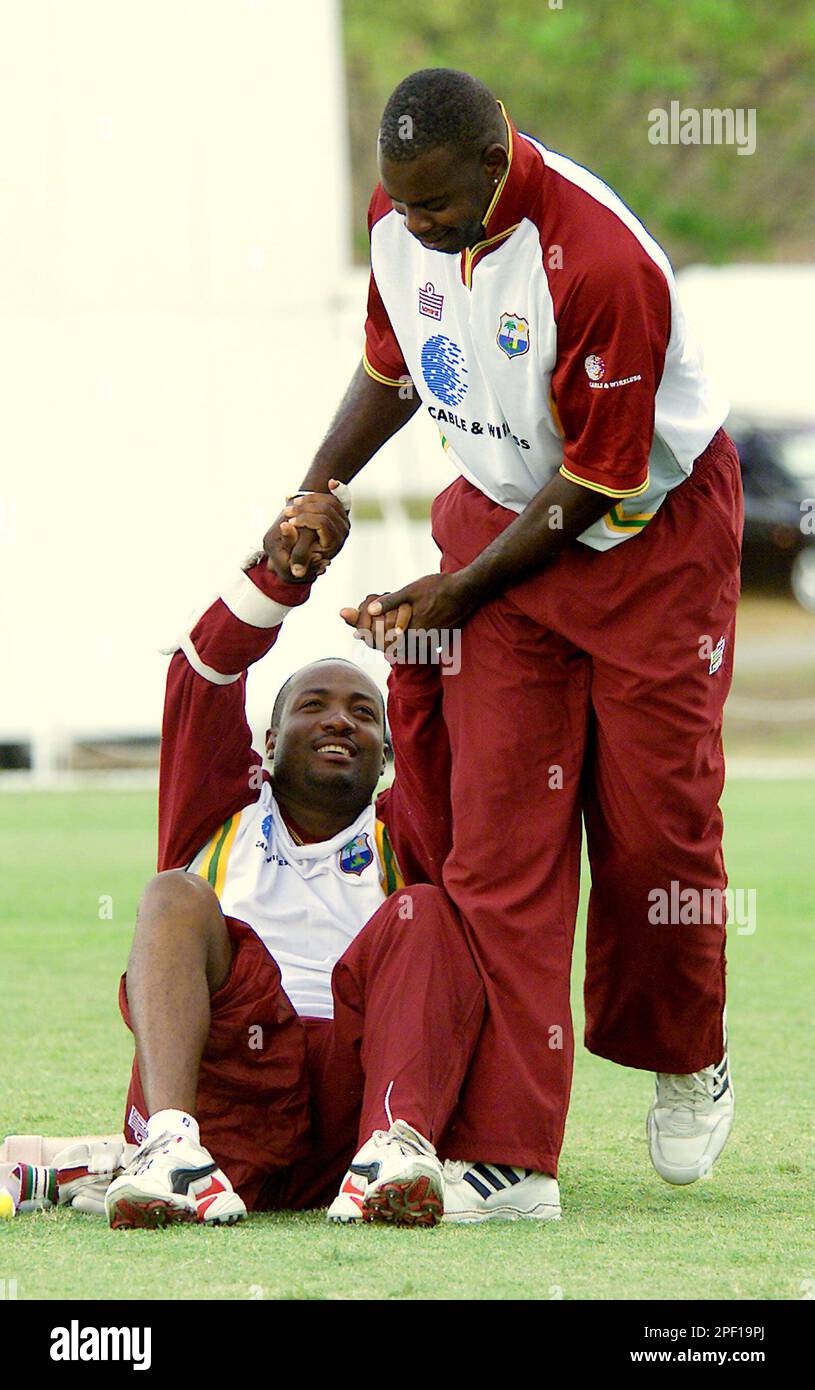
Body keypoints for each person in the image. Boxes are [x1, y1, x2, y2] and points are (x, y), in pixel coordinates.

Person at [265, 68, 740, 1211]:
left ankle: (687, 1055)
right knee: (494, 835)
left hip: (643, 539)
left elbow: (596, 481)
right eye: (398, 207)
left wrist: (455, 593)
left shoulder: (605, 263)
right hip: (494, 520)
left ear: (492, 163)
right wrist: (315, 488)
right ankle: (508, 1151)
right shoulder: (403, 223)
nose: (413, 230)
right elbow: (390, 366)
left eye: (433, 208)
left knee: (652, 835)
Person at [104, 488, 495, 1230]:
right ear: (268, 745)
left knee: (427, 906)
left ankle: (399, 1152)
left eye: (361, 711)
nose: (339, 718)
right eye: (311, 706)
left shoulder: (401, 837)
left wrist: (406, 656)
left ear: (385, 756)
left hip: (361, 1103)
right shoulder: (220, 821)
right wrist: (277, 579)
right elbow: (201, 678)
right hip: (231, 1098)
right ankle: (167, 1148)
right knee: (171, 893)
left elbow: (437, 751)